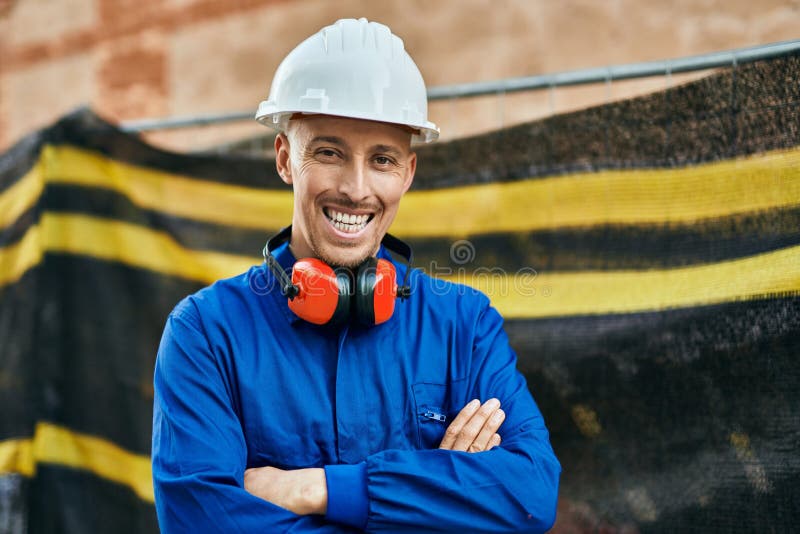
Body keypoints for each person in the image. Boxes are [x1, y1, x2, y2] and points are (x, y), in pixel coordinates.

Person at [151, 18, 560, 533]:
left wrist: (316, 488)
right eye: (329, 152)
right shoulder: (205, 333)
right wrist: (440, 502)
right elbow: (204, 523)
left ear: (407, 174)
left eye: (382, 159)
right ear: (285, 160)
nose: (356, 188)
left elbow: (530, 493)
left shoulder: (465, 325)